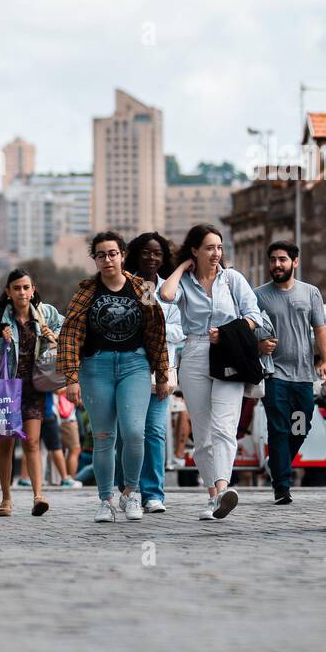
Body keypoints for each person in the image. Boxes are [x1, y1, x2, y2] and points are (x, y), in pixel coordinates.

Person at [57, 231, 171, 523]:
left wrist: (161, 375)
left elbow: (156, 332)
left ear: (122, 256)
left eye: (112, 253)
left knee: (134, 433)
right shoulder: (85, 291)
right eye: (100, 255)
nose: (107, 259)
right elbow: (69, 335)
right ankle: (106, 500)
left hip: (135, 365)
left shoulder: (142, 288)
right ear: (94, 259)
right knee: (104, 436)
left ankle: (131, 492)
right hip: (96, 368)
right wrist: (71, 378)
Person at [160, 223, 261, 520]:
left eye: (219, 247)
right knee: (202, 434)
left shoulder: (232, 279)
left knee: (224, 426)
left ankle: (223, 487)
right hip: (193, 353)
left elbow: (254, 316)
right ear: (195, 250)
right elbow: (165, 295)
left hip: (227, 352)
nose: (216, 253)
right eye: (209, 248)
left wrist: (228, 333)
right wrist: (181, 268)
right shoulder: (185, 282)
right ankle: (213, 496)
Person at [0, 267, 64, 518]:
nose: (22, 292)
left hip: (34, 387)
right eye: (16, 288)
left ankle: (39, 496)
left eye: (26, 287)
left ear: (33, 289)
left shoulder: (45, 313)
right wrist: (0, 341)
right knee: (5, 445)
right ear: (8, 292)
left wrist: (52, 335)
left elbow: (68, 333)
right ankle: (6, 499)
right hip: (6, 387)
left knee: (33, 442)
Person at [255, 242, 326, 504]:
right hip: (274, 374)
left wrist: (325, 361)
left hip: (303, 377)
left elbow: (320, 329)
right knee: (278, 428)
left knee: (300, 426)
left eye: (283, 260)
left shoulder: (311, 293)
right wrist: (258, 345)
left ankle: (278, 460)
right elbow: (246, 330)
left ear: (295, 262)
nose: (277, 265)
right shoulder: (259, 295)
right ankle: (282, 487)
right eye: (273, 260)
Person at [123, 231, 185, 515]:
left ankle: (153, 494)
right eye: (146, 252)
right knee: (130, 433)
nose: (151, 257)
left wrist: (152, 328)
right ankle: (128, 489)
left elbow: (180, 330)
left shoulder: (171, 290)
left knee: (156, 432)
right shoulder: (123, 286)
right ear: (136, 254)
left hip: (160, 371)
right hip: (126, 370)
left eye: (157, 253)